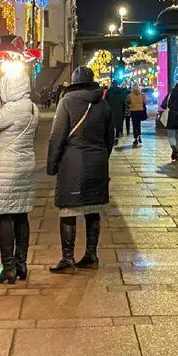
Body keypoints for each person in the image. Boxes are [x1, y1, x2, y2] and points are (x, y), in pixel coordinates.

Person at [46, 66, 113, 273]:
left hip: (72, 162)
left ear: (74, 83)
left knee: (68, 208)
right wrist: (100, 156)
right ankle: (91, 255)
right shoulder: (103, 104)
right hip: (97, 162)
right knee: (93, 209)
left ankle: (68, 258)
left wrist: (52, 165)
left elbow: (57, 137)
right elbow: (109, 137)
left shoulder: (66, 102)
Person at [0, 66, 39, 284]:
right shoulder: (32, 108)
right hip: (25, 165)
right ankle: (22, 264)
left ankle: (8, 268)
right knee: (21, 214)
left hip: (7, 167)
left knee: (4, 215)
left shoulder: (12, 108)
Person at [164, 82, 178, 162]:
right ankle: (176, 153)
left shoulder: (171, 94)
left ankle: (173, 147)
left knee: (171, 135)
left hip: (171, 117)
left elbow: (165, 104)